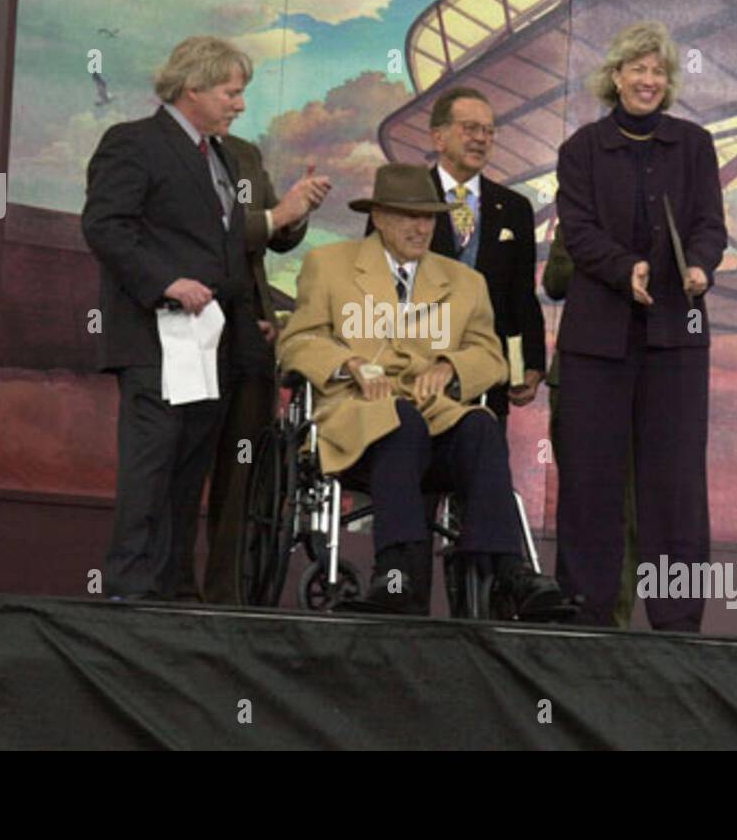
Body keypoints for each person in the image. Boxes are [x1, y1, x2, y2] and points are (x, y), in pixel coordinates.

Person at [277, 163, 562, 617]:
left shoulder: (465, 282)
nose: (421, 227)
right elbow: (296, 342)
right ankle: (394, 576)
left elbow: (490, 357)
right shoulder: (329, 266)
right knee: (400, 421)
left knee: (480, 427)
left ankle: (510, 571)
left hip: (435, 418)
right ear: (382, 218)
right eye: (410, 217)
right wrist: (348, 362)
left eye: (429, 217)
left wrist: (451, 364)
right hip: (359, 415)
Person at [553, 21, 727, 630]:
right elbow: (576, 233)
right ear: (616, 77)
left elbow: (710, 224)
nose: (648, 80)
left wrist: (700, 266)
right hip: (596, 340)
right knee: (589, 480)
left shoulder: (695, 145)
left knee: (677, 485)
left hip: (675, 337)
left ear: (669, 81)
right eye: (638, 69)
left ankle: (679, 623)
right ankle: (586, 613)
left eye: (658, 71)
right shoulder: (580, 150)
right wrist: (626, 269)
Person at [82, 35, 259, 601]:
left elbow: (227, 249)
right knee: (150, 467)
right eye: (232, 92)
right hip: (154, 340)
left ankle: (173, 589)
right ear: (194, 88)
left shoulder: (224, 158)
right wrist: (165, 283)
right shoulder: (133, 143)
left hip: (209, 346)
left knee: (188, 474)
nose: (240, 104)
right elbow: (106, 225)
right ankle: (128, 591)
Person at [175, 136, 331, 604]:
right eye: (229, 91)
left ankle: (229, 595)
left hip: (250, 334)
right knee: (181, 468)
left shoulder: (245, 154)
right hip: (186, 330)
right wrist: (275, 216)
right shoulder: (163, 151)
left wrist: (296, 210)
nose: (238, 104)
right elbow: (200, 233)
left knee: (243, 474)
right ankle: (175, 591)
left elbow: (276, 235)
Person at [367, 88, 545, 429]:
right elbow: (373, 286)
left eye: (489, 131)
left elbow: (520, 295)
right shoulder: (401, 198)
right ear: (438, 136)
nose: (481, 139)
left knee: (481, 467)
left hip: (484, 374)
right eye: (469, 128)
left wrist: (527, 365)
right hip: (411, 371)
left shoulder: (514, 208)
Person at [543, 224, 639, 629]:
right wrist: (606, 260)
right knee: (579, 501)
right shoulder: (580, 219)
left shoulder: (660, 213)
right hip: (576, 377)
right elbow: (554, 281)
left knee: (628, 508)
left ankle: (614, 622)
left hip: (638, 376)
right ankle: (574, 611)